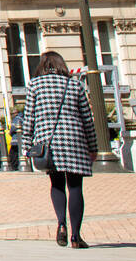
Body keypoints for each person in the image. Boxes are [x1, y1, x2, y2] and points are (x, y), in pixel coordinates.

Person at [21, 51, 98, 248]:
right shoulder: (74, 84)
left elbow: (29, 118)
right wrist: (93, 146)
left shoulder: (35, 85)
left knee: (56, 184)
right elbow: (87, 118)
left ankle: (61, 224)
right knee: (75, 187)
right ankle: (76, 236)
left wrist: (27, 146)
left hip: (49, 141)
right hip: (75, 139)